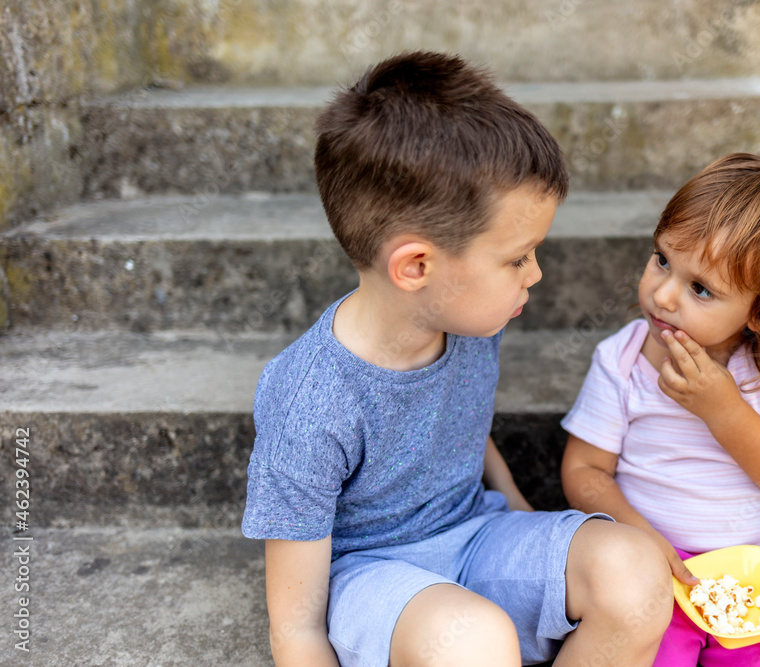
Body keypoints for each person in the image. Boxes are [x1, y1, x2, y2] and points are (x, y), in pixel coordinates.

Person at [241, 51, 674, 667]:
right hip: (373, 579)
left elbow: (457, 423)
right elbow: (296, 629)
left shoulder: (469, 316)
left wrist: (525, 516)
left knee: (634, 569)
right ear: (417, 266)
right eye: (518, 257)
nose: (537, 273)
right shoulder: (310, 400)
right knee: (470, 641)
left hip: (478, 537)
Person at [561, 153, 760, 666]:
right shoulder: (622, 360)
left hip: (757, 571)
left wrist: (724, 410)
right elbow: (583, 469)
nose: (662, 295)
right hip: (651, 568)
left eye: (700, 289)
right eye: (662, 259)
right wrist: (638, 536)